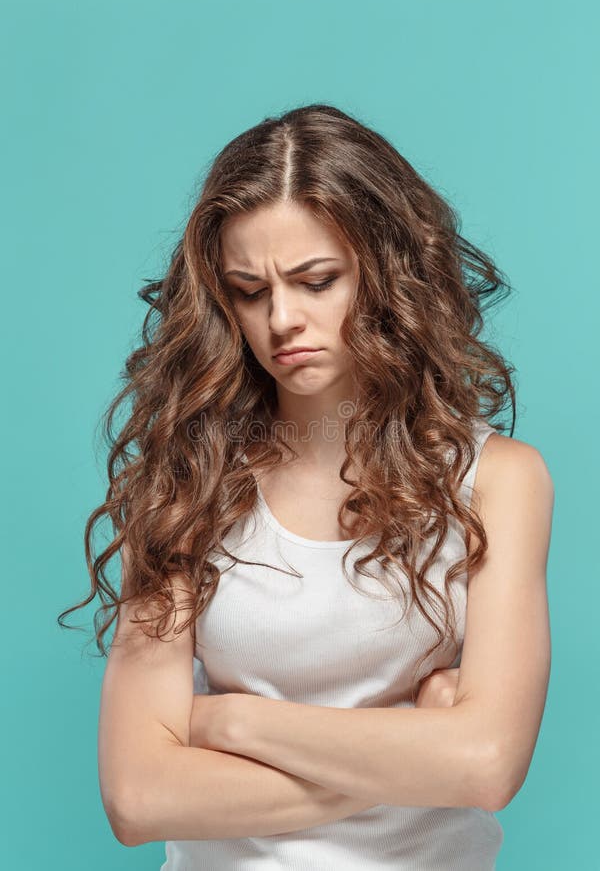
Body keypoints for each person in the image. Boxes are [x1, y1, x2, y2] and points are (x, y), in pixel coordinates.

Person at [58, 103, 554, 870]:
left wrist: (230, 725)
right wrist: (417, 758)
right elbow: (138, 798)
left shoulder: (499, 481)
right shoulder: (184, 486)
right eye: (250, 291)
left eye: (316, 280)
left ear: (388, 271)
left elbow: (487, 766)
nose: (282, 319)